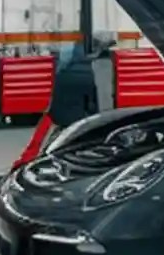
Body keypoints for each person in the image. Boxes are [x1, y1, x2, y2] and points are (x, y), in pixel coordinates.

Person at [12, 32, 116, 169]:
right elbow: (103, 103)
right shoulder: (99, 65)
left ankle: (32, 162)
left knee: (48, 136)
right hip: (80, 113)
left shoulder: (69, 56)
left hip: (61, 107)